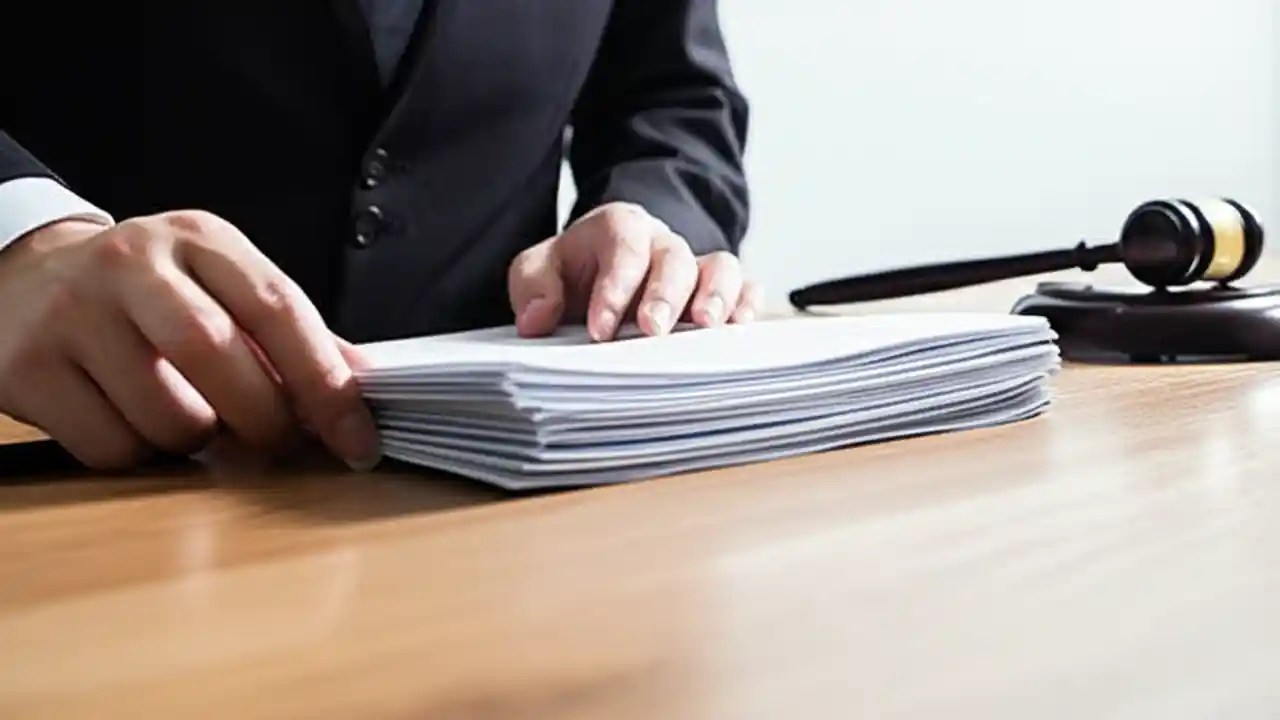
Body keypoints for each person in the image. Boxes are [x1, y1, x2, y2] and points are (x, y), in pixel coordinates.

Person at [0, 2, 756, 472]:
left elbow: (671, 95)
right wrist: (19, 233)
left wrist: (655, 234)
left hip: (497, 499)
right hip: (78, 466)